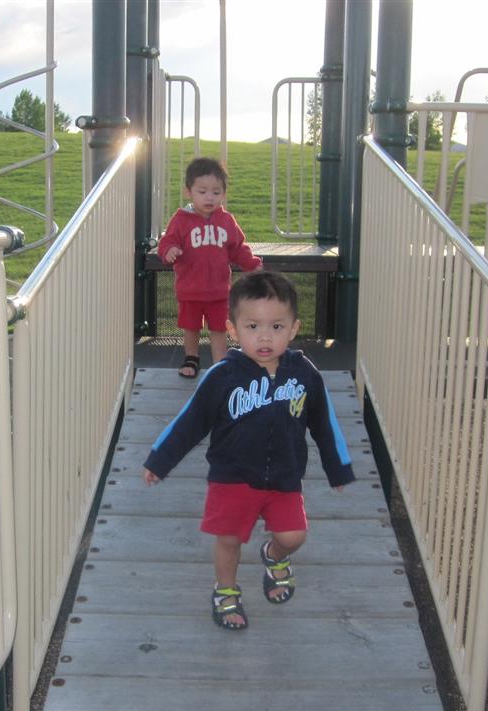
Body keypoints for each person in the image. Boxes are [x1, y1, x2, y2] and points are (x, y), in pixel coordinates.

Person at [142, 271, 355, 630]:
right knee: (228, 540)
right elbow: (190, 422)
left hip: (284, 476)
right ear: (233, 329)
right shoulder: (223, 376)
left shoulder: (304, 374)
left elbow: (324, 422)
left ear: (293, 329)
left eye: (277, 326)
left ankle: (274, 554)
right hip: (232, 477)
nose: (265, 337)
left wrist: (338, 467)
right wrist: (160, 460)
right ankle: (226, 590)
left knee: (293, 536)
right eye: (253, 326)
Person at [158, 157, 262, 379]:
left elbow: (238, 248)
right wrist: (170, 251)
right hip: (190, 290)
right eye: (202, 191)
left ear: (223, 194)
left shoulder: (226, 221)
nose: (209, 197)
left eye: (216, 192)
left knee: (219, 328)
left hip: (218, 291)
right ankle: (191, 358)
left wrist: (251, 264)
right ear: (188, 192)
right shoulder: (181, 220)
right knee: (191, 327)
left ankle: (219, 364)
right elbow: (167, 242)